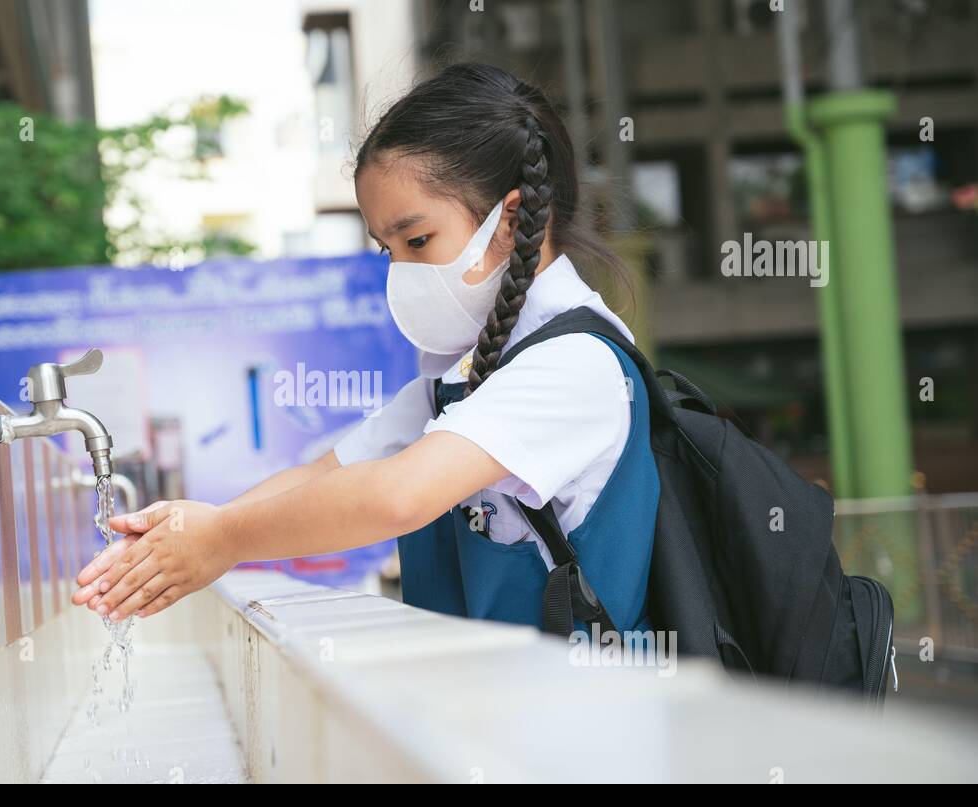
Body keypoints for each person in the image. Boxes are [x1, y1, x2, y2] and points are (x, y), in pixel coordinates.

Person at [73, 62, 658, 634]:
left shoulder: (572, 364)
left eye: (418, 239)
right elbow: (327, 472)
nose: (399, 272)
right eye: (387, 249)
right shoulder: (466, 375)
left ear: (511, 220)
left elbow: (395, 496)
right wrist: (197, 532)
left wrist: (221, 539)